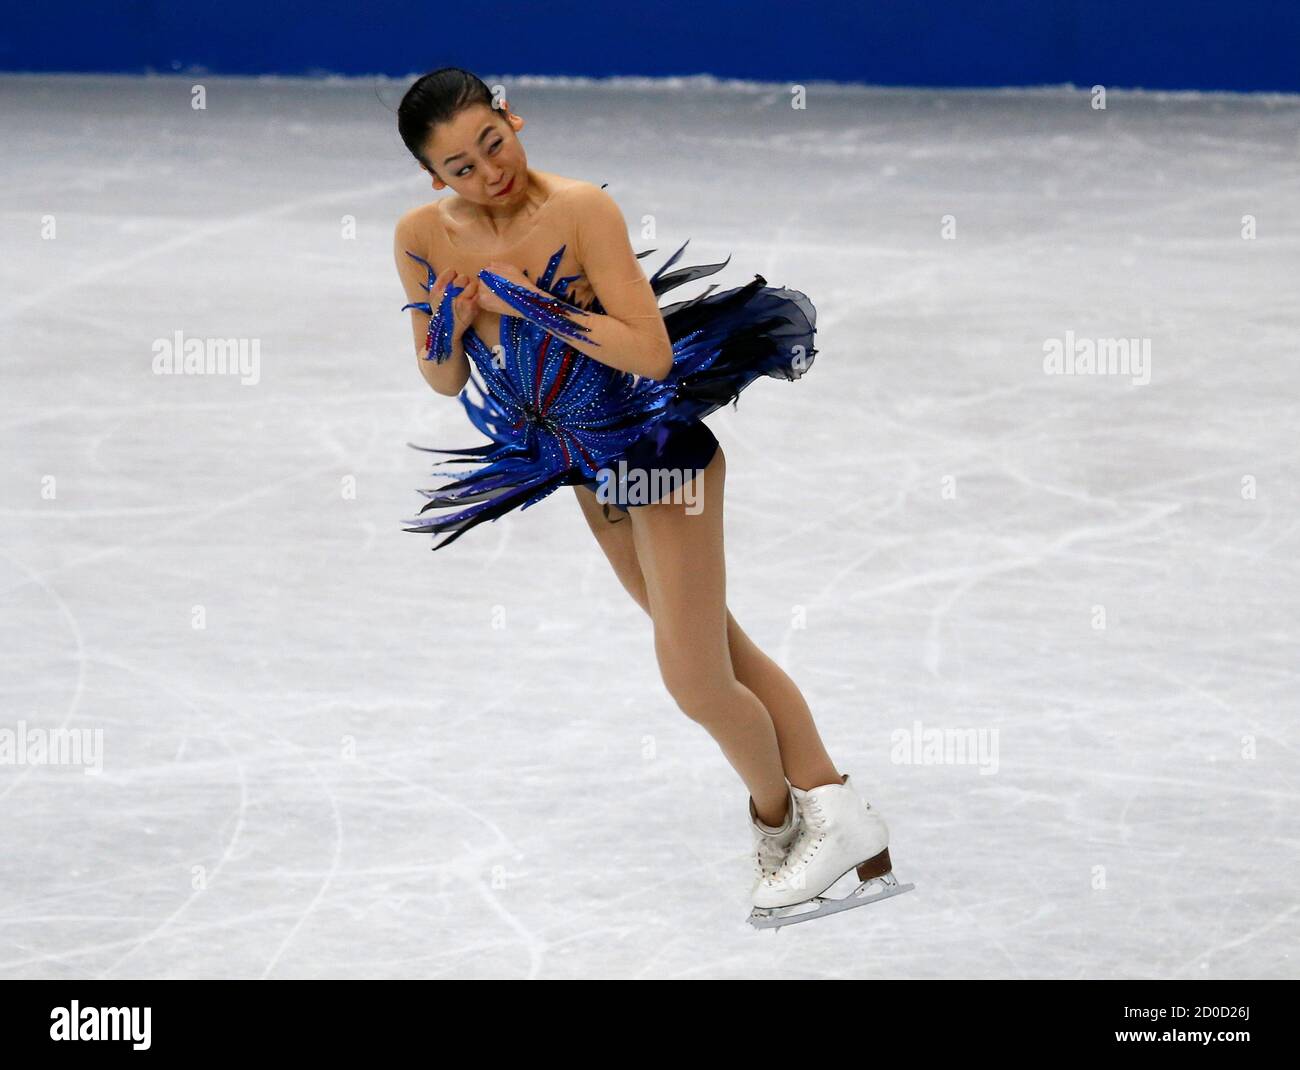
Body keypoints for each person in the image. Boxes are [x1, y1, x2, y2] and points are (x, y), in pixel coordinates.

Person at [391, 68, 910, 926]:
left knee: (695, 681)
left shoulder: (579, 210)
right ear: (433, 178)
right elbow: (443, 379)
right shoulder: (418, 235)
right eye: (461, 167)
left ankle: (788, 823)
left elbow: (651, 352)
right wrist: (446, 317)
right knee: (722, 654)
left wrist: (532, 307)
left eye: (495, 141)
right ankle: (834, 805)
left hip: (659, 455)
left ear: (512, 118)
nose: (491, 171)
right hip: (585, 471)